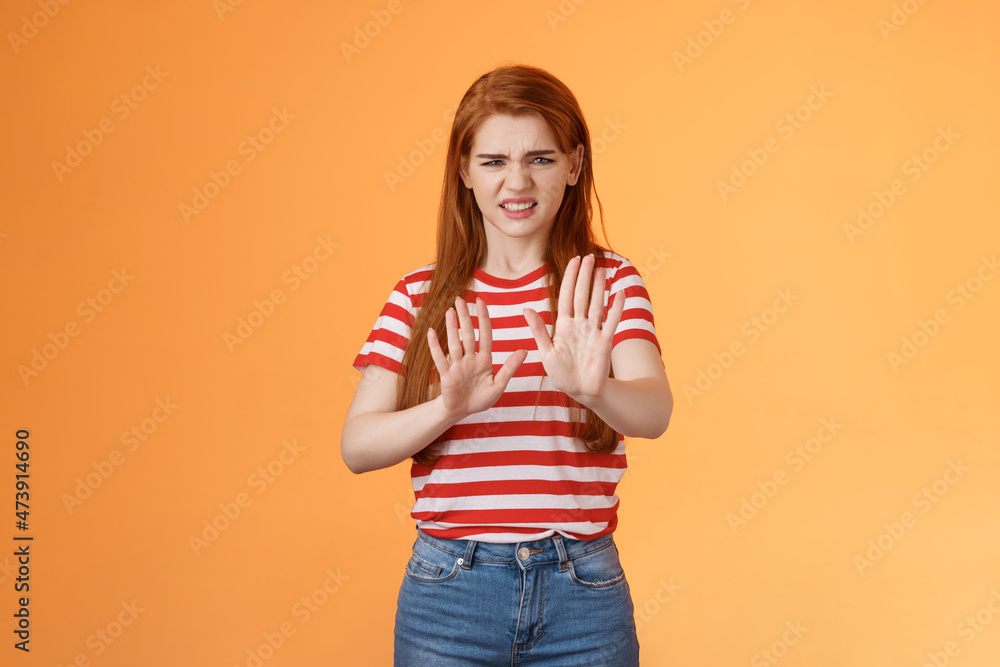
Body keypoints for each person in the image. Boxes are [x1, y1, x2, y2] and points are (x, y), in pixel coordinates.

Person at [342, 63, 673, 666]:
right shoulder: (418, 295)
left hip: (584, 592)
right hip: (449, 592)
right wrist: (446, 408)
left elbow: (654, 411)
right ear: (464, 171)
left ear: (574, 165)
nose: (516, 181)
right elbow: (358, 447)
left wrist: (595, 390)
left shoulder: (607, 281)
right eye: (493, 161)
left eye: (540, 159)